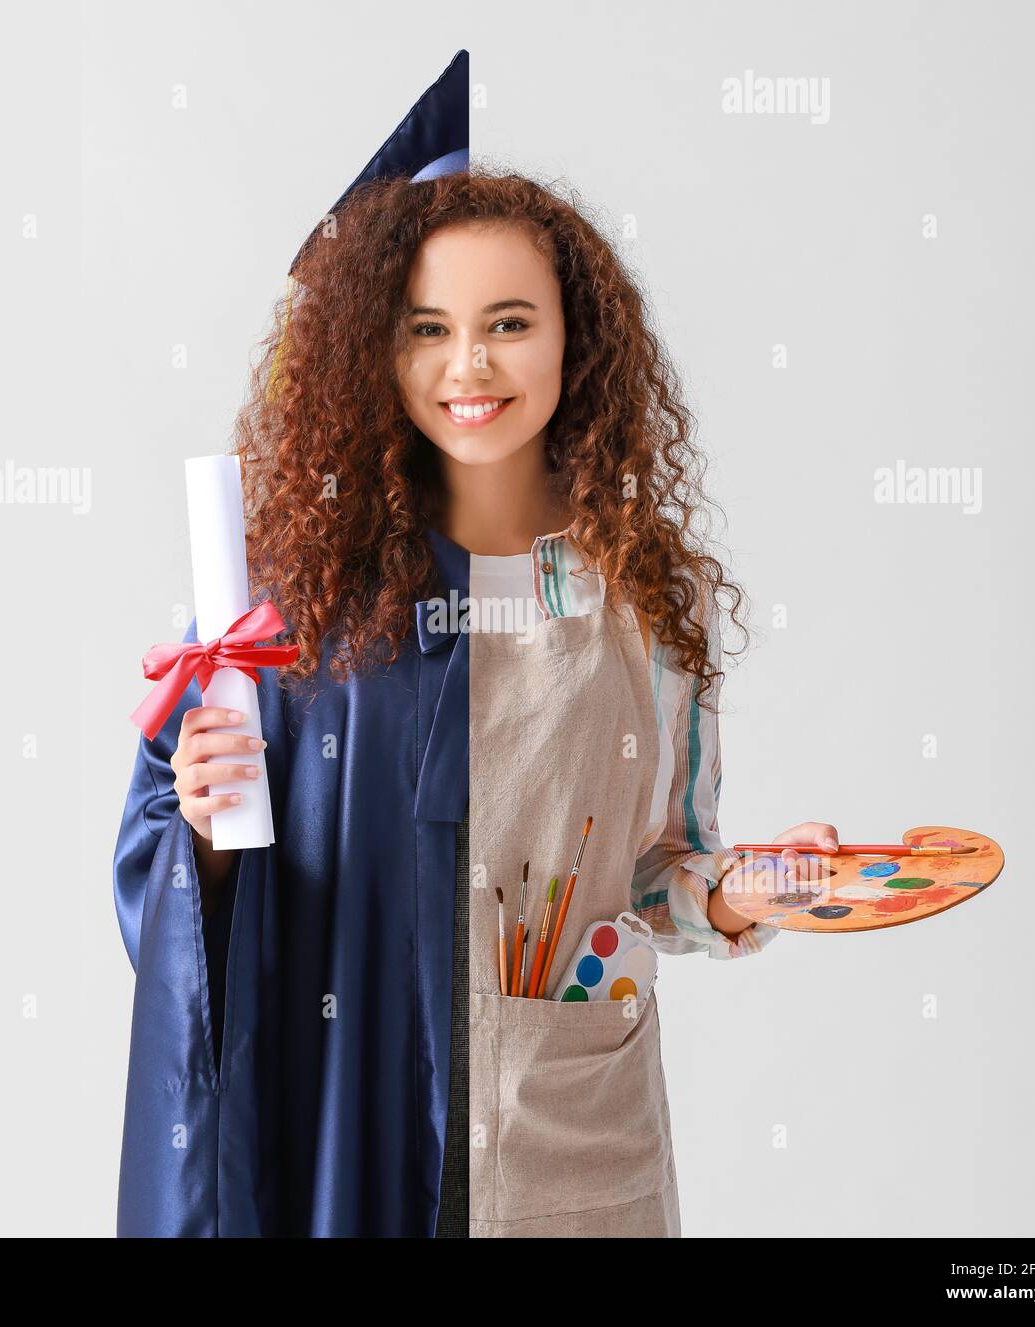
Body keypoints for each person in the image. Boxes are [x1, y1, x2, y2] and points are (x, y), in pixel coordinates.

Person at [113, 167, 838, 1238]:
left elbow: (654, 870)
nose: (469, 365)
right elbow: (170, 893)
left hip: (569, 1144)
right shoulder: (294, 600)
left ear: (572, 337)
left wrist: (750, 891)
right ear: (379, 348)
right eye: (427, 328)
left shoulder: (644, 593)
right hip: (349, 1132)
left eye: (508, 322)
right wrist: (209, 830)